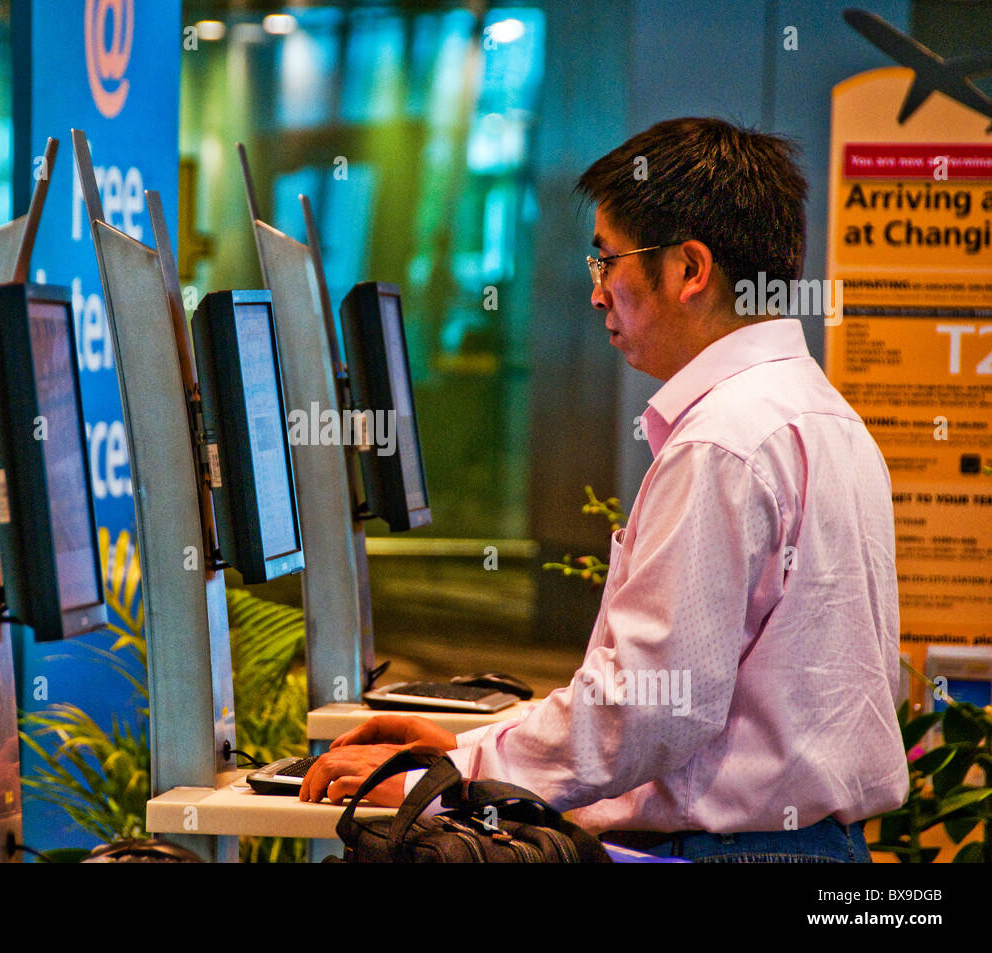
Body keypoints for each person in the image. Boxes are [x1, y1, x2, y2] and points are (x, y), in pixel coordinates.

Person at [301, 117, 910, 862]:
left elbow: (647, 711)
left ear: (689, 269)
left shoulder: (723, 441)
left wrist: (456, 774)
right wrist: (476, 744)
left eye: (606, 262)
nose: (597, 295)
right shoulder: (820, 414)